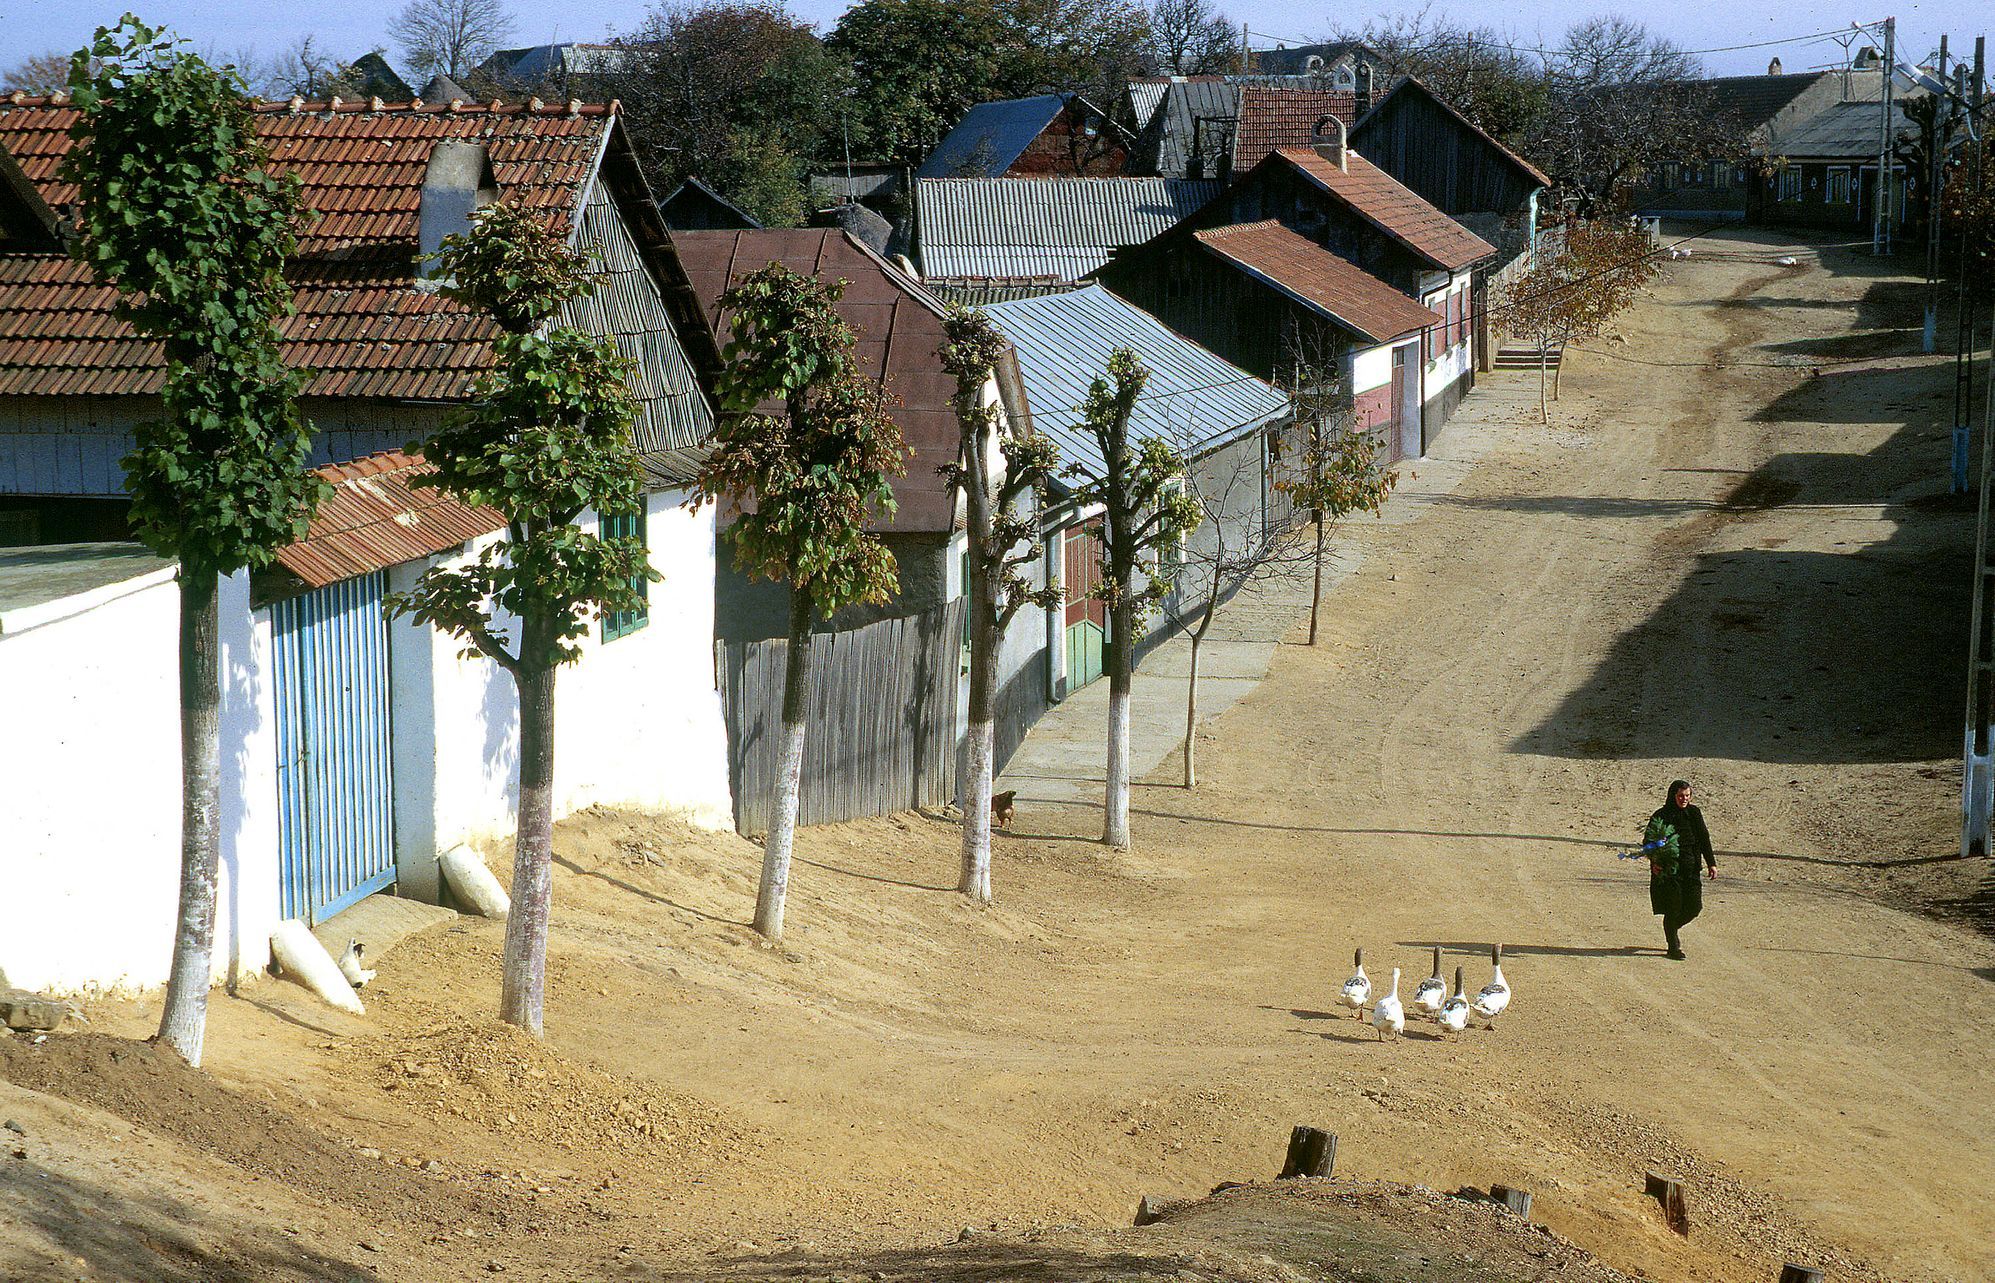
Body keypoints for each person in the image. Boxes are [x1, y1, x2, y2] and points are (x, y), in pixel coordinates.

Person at [1644, 779, 1716, 960]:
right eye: (1681, 796)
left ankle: (1672, 928)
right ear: (1673, 796)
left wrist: (1711, 863)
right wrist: (1655, 861)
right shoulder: (1661, 815)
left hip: (1691, 868)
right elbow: (1649, 842)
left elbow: (1704, 838)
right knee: (1673, 907)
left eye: (1687, 796)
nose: (1684, 799)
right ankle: (1673, 947)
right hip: (1670, 870)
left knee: (1694, 907)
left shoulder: (1694, 813)